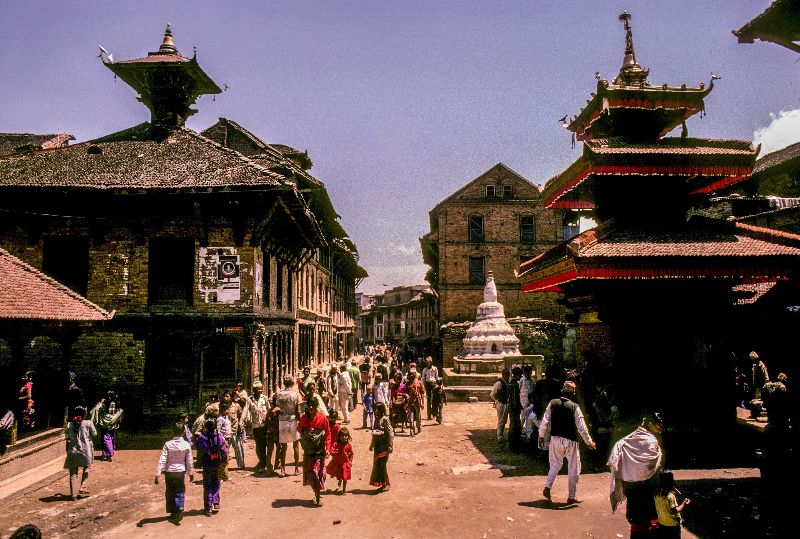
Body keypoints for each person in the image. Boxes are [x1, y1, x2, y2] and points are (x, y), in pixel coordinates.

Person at [608, 412, 665, 539]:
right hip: (646, 485)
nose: (660, 427)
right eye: (658, 424)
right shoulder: (651, 440)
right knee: (647, 514)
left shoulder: (631, 438)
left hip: (631, 483)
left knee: (635, 516)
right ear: (649, 424)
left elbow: (619, 448)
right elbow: (653, 465)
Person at [538, 381, 596, 504]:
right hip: (571, 441)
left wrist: (541, 436)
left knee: (554, 465)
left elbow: (544, 421)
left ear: (562, 392)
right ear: (573, 393)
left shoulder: (553, 403)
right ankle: (571, 497)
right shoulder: (575, 407)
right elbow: (582, 428)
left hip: (555, 439)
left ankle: (547, 486)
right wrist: (589, 442)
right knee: (574, 468)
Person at [154, 422, 195, 525]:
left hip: (169, 472)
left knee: (170, 491)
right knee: (180, 490)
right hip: (180, 472)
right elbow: (189, 460)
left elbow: (163, 459)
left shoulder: (168, 444)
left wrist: (158, 473)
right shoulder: (186, 444)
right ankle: (179, 507)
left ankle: (173, 512)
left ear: (172, 431)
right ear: (183, 432)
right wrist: (190, 473)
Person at [297, 399, 332, 506]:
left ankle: (318, 496)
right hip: (308, 451)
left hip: (319, 451)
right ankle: (316, 493)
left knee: (317, 473)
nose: (311, 407)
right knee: (310, 473)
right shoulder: (304, 418)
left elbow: (328, 433)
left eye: (313, 405)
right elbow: (299, 429)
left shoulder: (322, 418)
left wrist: (327, 448)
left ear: (316, 406)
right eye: (309, 405)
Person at [63, 405, 96, 501]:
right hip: (85, 450)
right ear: (84, 414)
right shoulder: (88, 423)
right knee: (87, 466)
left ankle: (73, 495)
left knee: (73, 473)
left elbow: (67, 436)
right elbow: (95, 434)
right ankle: (83, 486)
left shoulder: (69, 424)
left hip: (73, 450)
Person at [195, 418, 227, 516]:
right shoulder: (219, 436)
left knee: (207, 485)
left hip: (207, 464)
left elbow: (197, 444)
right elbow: (224, 450)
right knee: (216, 482)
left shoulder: (202, 437)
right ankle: (216, 502)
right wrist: (223, 461)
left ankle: (208, 508)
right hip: (217, 463)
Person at [273, 374, 302, 477]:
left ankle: (282, 470)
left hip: (282, 420)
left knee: (283, 446)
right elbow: (299, 411)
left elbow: (277, 408)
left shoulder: (279, 394)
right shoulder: (296, 394)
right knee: (296, 446)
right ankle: (296, 469)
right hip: (293, 420)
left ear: (284, 383)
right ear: (292, 383)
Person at [654, 470, 691, 538]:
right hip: (673, 526)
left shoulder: (657, 494)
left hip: (662, 523)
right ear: (671, 481)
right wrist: (684, 503)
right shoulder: (670, 496)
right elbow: (676, 510)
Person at [90, 391, 123, 462]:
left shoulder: (104, 403)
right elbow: (119, 413)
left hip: (104, 423)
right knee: (111, 437)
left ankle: (109, 454)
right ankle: (106, 454)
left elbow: (97, 409)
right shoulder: (116, 403)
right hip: (113, 423)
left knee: (105, 438)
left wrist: (101, 402)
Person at [369, 402, 394, 491]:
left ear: (382, 410)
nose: (376, 411)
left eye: (378, 409)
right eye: (375, 409)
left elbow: (390, 433)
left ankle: (387, 483)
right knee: (378, 465)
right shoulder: (376, 419)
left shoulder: (385, 419)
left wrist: (390, 445)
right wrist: (372, 444)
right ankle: (383, 484)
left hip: (384, 445)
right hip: (377, 446)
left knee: (383, 465)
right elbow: (374, 433)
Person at [245, 380, 269, 473]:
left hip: (264, 425)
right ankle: (262, 462)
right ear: (254, 390)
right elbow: (246, 411)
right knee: (259, 445)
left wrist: (267, 417)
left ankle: (263, 463)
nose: (260, 391)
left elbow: (269, 409)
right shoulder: (249, 399)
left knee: (264, 444)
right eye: (258, 389)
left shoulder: (265, 398)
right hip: (255, 425)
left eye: (261, 389)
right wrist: (243, 421)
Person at [326, 426, 354, 494]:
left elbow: (351, 454)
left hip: (345, 464)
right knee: (339, 475)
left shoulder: (348, 445)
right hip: (337, 463)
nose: (344, 437)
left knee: (345, 477)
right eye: (342, 436)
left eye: (345, 436)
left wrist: (350, 461)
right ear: (339, 436)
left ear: (348, 437)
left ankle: (344, 490)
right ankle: (340, 480)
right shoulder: (336, 444)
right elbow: (331, 451)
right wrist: (334, 452)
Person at [490, 369, 511, 445]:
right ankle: (499, 436)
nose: (507, 377)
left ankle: (501, 435)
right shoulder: (499, 383)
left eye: (508, 375)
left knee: (504, 420)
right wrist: (497, 400)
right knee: (501, 420)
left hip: (506, 403)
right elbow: (492, 394)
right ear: (503, 375)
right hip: (500, 403)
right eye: (506, 375)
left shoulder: (507, 383)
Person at [508, 367, 524, 452]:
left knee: (513, 426)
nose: (521, 377)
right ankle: (514, 446)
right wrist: (517, 407)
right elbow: (514, 399)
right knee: (515, 427)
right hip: (514, 409)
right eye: (520, 375)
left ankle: (513, 445)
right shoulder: (514, 385)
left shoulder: (511, 383)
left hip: (513, 408)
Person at [406, 368, 425, 434]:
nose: (412, 375)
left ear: (415, 374)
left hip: (417, 402)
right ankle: (412, 429)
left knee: (418, 417)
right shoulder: (407, 383)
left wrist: (422, 403)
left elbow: (422, 393)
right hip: (410, 402)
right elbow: (405, 392)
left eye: (413, 374)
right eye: (411, 374)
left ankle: (418, 427)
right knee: (410, 417)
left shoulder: (419, 382)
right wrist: (407, 396)